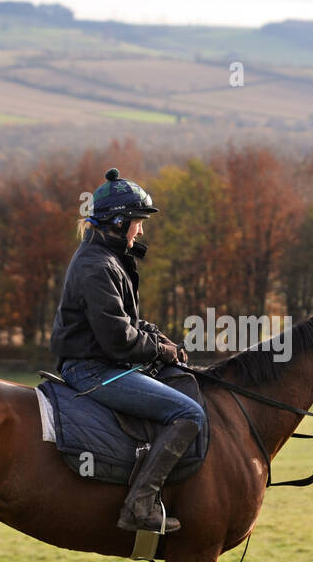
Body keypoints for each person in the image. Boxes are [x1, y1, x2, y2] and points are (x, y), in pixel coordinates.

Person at [50, 168, 206, 534]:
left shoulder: (109, 259)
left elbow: (130, 322)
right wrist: (159, 352)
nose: (141, 230)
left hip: (105, 363)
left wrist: (162, 341)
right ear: (118, 223)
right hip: (93, 371)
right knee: (189, 413)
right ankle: (140, 505)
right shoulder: (96, 266)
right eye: (137, 223)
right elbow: (118, 338)